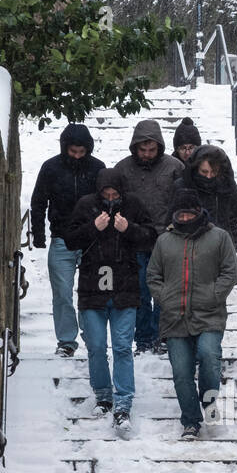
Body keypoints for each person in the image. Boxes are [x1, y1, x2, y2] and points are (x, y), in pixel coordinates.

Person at [61, 169, 156, 432]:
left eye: (115, 194)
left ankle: (124, 399)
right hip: (93, 287)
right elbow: (69, 240)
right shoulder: (85, 205)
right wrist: (94, 227)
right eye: (107, 194)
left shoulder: (134, 204)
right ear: (99, 192)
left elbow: (151, 237)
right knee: (96, 345)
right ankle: (103, 394)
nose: (111, 198)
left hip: (125, 286)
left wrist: (129, 229)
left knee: (123, 345)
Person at [146, 191, 237, 439]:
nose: (185, 218)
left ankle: (209, 404)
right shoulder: (164, 241)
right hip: (174, 317)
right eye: (180, 214)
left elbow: (230, 273)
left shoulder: (219, 237)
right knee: (181, 371)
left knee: (210, 357)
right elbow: (153, 276)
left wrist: (213, 295)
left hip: (209, 315)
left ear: (199, 212)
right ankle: (190, 420)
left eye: (189, 213)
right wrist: (164, 297)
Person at [30, 124, 106, 356]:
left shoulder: (97, 168)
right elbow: (38, 202)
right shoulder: (51, 168)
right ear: (65, 148)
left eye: (81, 152)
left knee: (89, 291)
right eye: (73, 151)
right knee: (62, 292)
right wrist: (39, 235)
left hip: (91, 239)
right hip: (61, 238)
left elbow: (108, 200)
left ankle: (92, 336)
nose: (76, 156)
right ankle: (66, 341)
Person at [109, 119, 183, 356]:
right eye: (143, 150)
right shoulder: (122, 169)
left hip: (166, 238)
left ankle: (162, 336)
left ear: (159, 146)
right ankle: (143, 338)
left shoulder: (174, 167)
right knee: (139, 291)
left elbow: (184, 199)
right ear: (135, 147)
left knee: (164, 292)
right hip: (134, 238)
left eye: (152, 150)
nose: (147, 154)